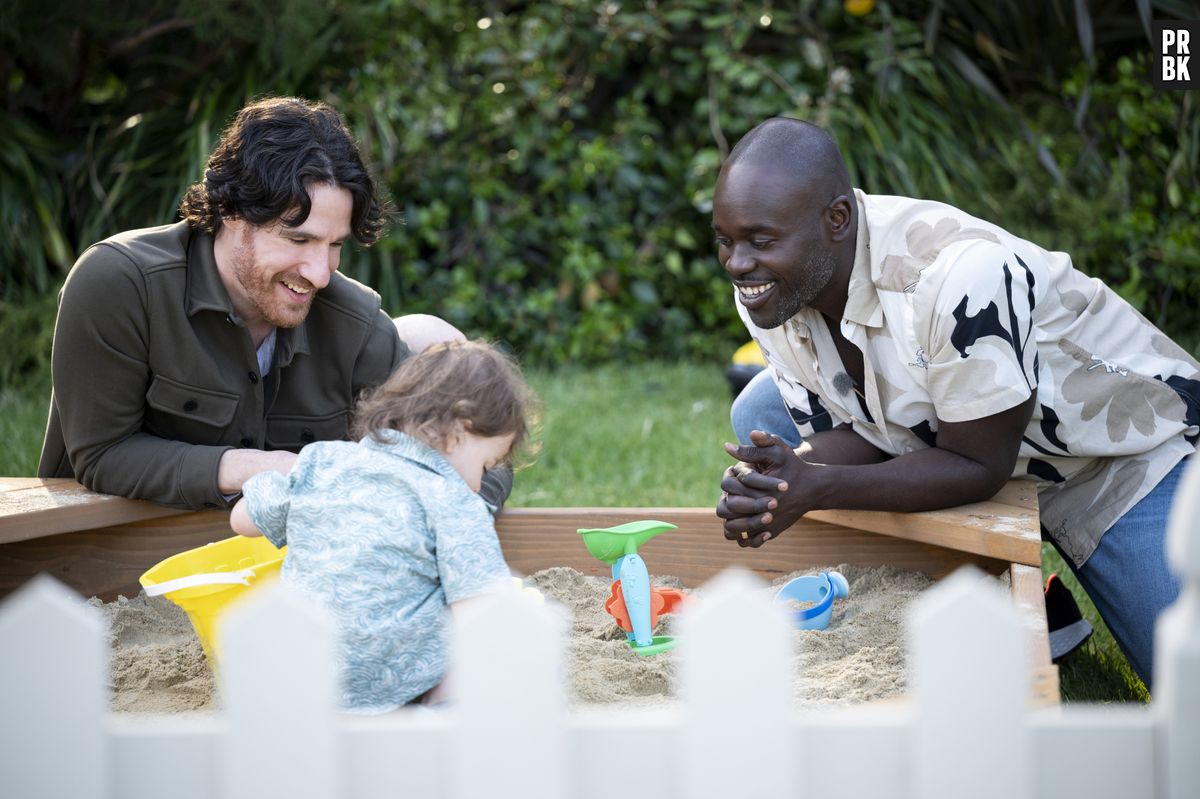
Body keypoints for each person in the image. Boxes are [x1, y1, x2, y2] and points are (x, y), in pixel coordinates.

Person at [713, 116, 1200, 689]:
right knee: (764, 417)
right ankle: (1018, 595)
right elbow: (863, 432)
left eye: (761, 241)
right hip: (959, 439)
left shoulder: (958, 276)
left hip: (1114, 462)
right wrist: (788, 475)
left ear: (836, 220)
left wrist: (818, 484)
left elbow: (977, 466)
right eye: (725, 240)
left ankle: (1022, 583)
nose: (737, 264)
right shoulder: (773, 288)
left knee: (1184, 683)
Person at [38, 97, 511, 512]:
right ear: (230, 211)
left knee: (434, 340)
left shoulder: (354, 322)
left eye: (333, 245)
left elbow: (484, 458)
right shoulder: (120, 283)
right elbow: (102, 455)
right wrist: (260, 467)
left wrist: (452, 500)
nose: (320, 273)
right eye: (298, 238)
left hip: (291, 574)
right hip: (108, 558)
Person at [230, 339, 535, 710]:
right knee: (471, 651)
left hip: (302, 681)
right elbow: (480, 612)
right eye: (486, 465)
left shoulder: (322, 462)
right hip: (397, 687)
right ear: (460, 428)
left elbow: (242, 520)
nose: (477, 484)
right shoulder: (455, 500)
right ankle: (443, 709)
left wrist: (274, 485)